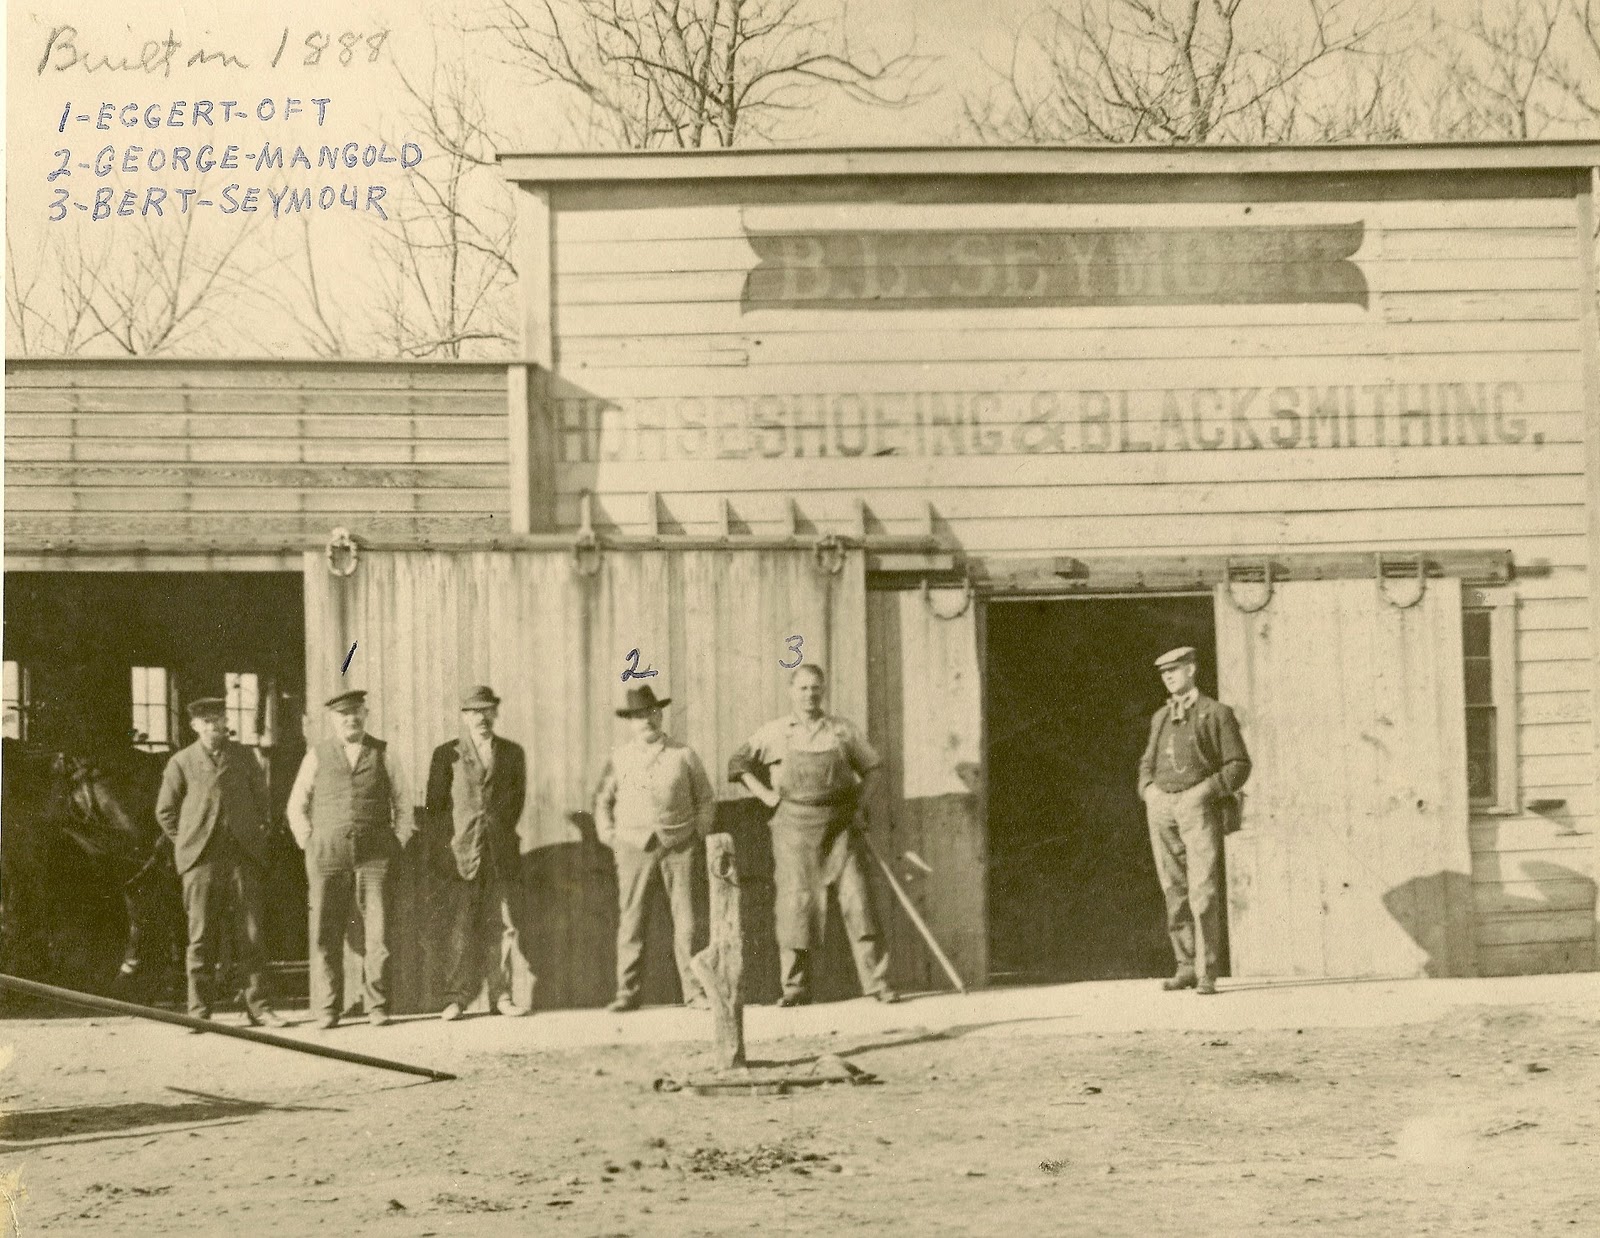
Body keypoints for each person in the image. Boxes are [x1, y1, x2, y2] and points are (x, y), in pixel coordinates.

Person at [728, 663, 898, 1007]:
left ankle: (877, 983)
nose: (810, 695)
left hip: (840, 828)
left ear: (824, 691)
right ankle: (795, 988)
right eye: (803, 688)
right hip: (793, 829)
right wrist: (766, 796)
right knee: (796, 905)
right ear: (792, 691)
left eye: (816, 688)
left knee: (858, 901)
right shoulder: (774, 732)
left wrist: (860, 807)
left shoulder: (842, 731)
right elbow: (737, 763)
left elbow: (873, 769)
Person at [286, 689, 414, 1028]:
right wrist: (309, 843)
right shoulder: (317, 755)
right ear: (334, 720)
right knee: (325, 933)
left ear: (366, 714)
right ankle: (329, 1007)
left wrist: (396, 842)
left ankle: (377, 1006)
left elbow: (403, 803)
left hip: (374, 858)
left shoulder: (384, 753)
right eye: (343, 715)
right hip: (327, 856)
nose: (350, 719)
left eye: (356, 712)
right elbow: (296, 804)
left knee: (378, 934)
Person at [155, 697, 283, 1027]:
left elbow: (263, 802)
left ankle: (259, 1006)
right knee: (201, 937)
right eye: (206, 720)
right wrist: (189, 841)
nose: (214, 725)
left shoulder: (243, 757)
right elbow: (165, 811)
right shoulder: (181, 762)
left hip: (242, 859)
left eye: (219, 718)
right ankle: (199, 1012)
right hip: (201, 862)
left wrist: (254, 836)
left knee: (251, 934)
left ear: (226, 722)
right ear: (195, 726)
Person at [1137, 646, 1253, 997]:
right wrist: (1149, 791)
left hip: (1198, 807)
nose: (1169, 677)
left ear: (1192, 669)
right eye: (1163, 672)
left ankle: (1207, 971)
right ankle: (1185, 966)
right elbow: (1147, 762)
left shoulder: (1216, 713)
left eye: (1175, 670)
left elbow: (1238, 764)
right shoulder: (1160, 717)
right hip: (1161, 808)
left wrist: (1205, 792)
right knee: (1174, 890)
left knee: (1202, 889)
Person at [592, 684, 715, 1013]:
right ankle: (627, 993)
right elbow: (603, 801)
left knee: (687, 922)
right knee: (631, 921)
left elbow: (705, 798)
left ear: (659, 714)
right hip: (634, 846)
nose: (645, 720)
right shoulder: (619, 757)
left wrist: (698, 833)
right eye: (637, 716)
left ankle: (695, 992)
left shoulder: (683, 754)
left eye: (650, 713)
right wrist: (610, 835)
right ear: (630, 722)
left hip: (679, 845)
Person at [426, 685, 531, 1021]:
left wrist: (496, 834)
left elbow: (514, 804)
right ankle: (455, 998)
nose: (482, 718)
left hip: (499, 853)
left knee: (501, 926)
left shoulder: (513, 753)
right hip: (460, 855)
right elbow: (436, 808)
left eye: (488, 710)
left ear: (495, 713)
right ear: (464, 717)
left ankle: (501, 997)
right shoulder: (446, 755)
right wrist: (447, 848)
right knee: (459, 926)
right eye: (474, 711)